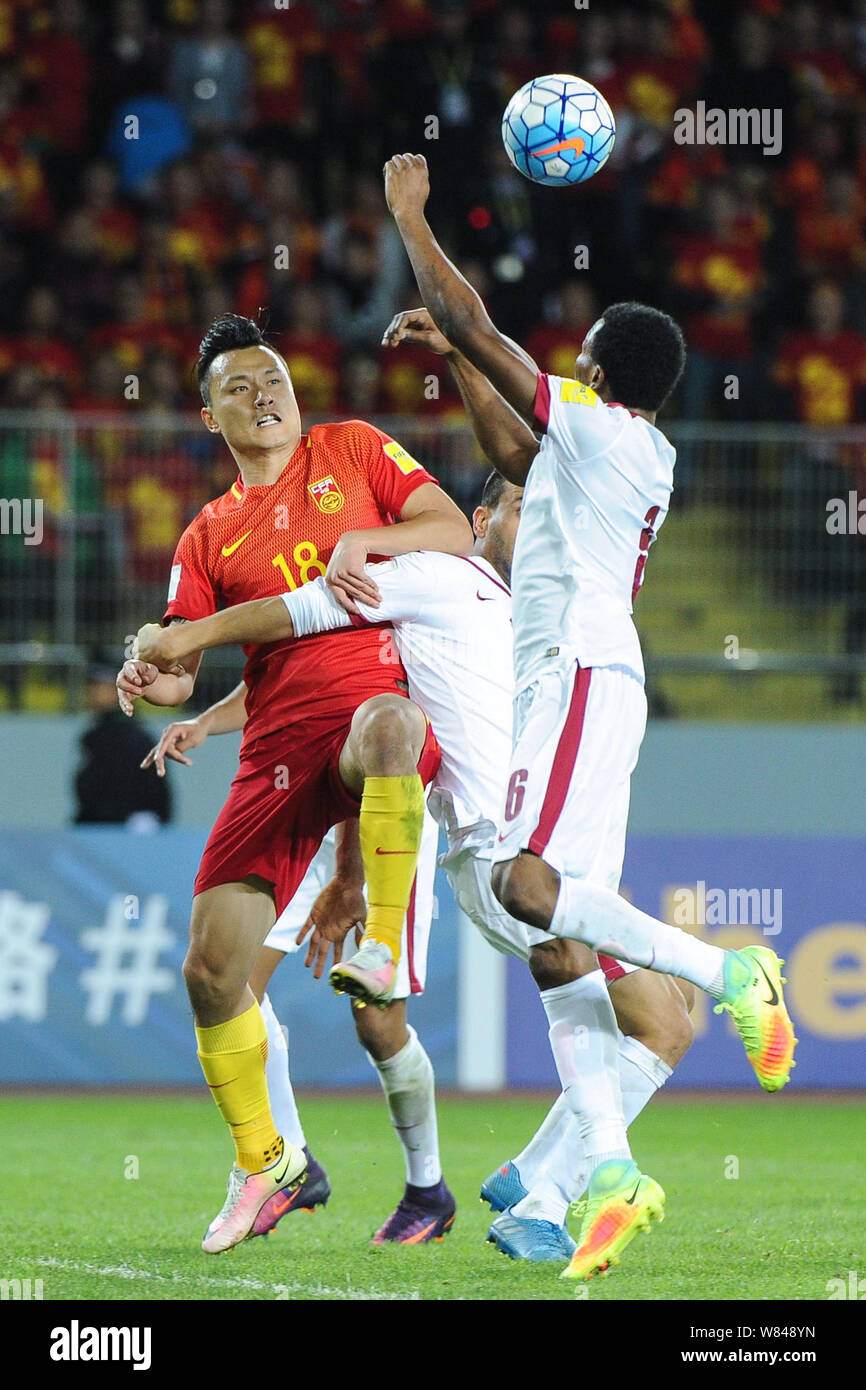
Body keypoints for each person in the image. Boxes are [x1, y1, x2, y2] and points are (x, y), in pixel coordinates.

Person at [376, 152, 796, 1281]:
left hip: (571, 673)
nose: (565, 364)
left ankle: (728, 974)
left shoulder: (606, 434)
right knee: (558, 936)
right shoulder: (607, 449)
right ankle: (588, 1176)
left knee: (522, 886)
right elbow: (513, 447)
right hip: (580, 681)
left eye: (578, 355)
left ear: (601, 368)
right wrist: (458, 352)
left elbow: (486, 333)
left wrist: (413, 225)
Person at [136, 466, 692, 1268]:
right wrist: (192, 658)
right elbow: (308, 635)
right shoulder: (434, 578)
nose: (540, 526)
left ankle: (513, 1184)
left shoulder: (543, 608)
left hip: (539, 849)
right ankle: (514, 1186)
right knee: (662, 1021)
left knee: (654, 1017)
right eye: (521, 508)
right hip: (483, 847)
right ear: (479, 518)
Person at [115, 311, 471, 1254]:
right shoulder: (209, 532)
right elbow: (185, 670)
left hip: (367, 741)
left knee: (394, 726)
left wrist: (370, 546)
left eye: (274, 377)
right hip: (276, 754)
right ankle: (273, 1163)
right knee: (212, 971)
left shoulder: (353, 450)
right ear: (208, 418)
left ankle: (385, 959)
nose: (265, 394)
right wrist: (157, 685)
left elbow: (453, 527)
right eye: (240, 386)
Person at [136, 690, 450, 1246]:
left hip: (383, 819)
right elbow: (278, 673)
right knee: (232, 982)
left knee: (377, 1025)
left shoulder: (378, 608)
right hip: (302, 810)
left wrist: (350, 878)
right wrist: (209, 720)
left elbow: (377, 720)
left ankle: (428, 1189)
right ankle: (291, 1158)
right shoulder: (302, 605)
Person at [75, 659, 171, 828]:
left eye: (100, 686)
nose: (92, 692)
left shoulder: (136, 739)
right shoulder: (94, 737)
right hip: (96, 829)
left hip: (124, 833)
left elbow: (156, 794)